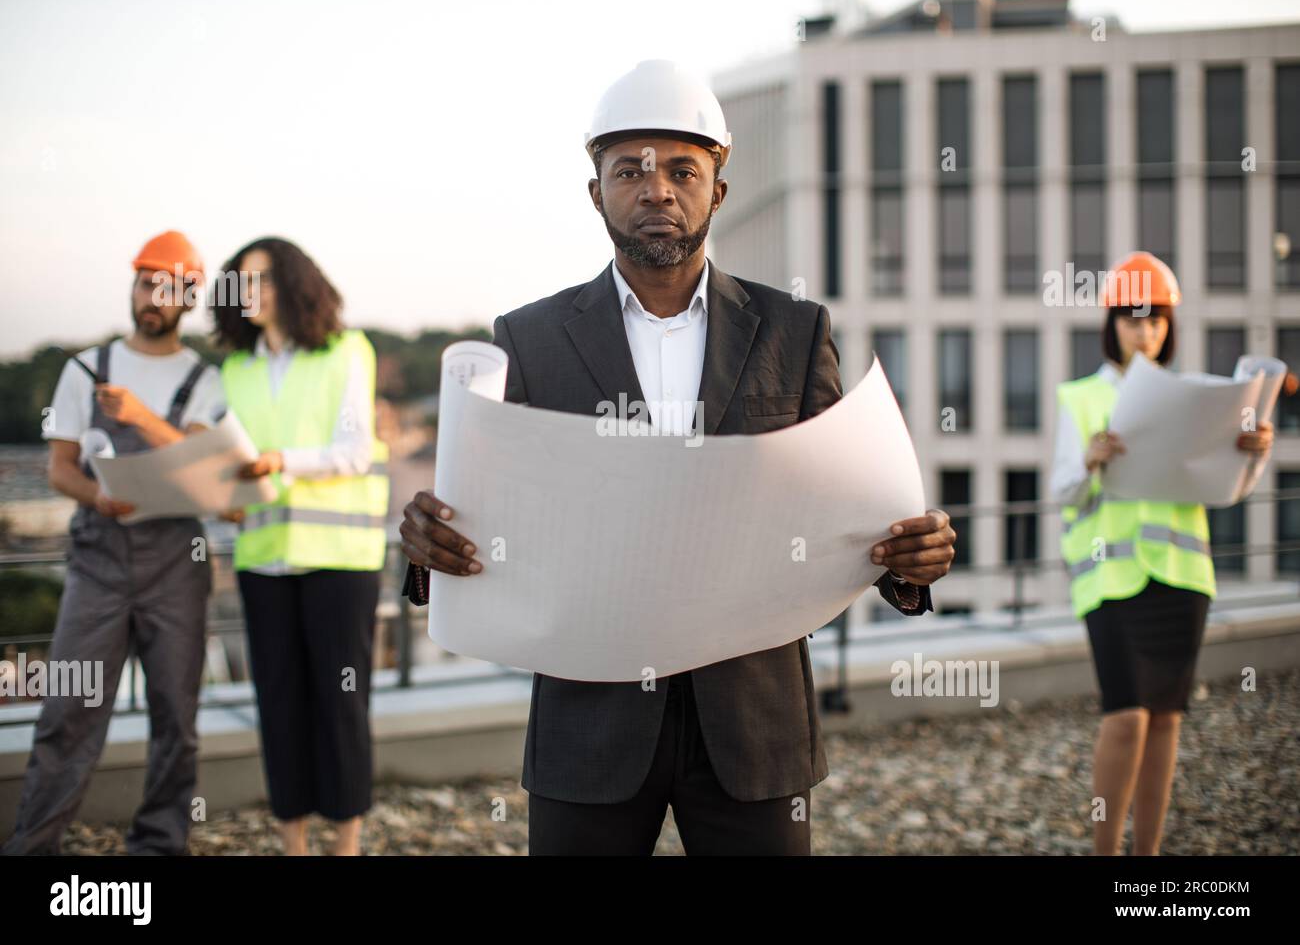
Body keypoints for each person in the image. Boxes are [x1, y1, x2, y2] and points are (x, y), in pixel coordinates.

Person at [399, 60, 955, 855]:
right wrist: (428, 547)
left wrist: (911, 556)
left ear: (717, 191)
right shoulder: (529, 340)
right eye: (629, 169)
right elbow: (488, 510)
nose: (656, 188)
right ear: (596, 193)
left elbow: (852, 502)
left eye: (681, 169)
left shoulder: (794, 332)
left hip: (752, 724)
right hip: (588, 726)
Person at [3, 231, 225, 855]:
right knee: (68, 711)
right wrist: (98, 497)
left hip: (177, 563)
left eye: (166, 286)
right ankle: (33, 846)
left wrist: (144, 422)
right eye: (144, 282)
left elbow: (207, 472)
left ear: (188, 297)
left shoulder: (205, 381)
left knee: (176, 719)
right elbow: (59, 469)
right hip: (98, 560)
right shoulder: (83, 369)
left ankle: (159, 844)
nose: (152, 296)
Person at [1051, 250, 1273, 855]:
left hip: (1181, 578)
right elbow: (1062, 492)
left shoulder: (1199, 396)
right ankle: (1108, 857)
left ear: (1169, 325)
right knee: (1125, 715)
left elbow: (1228, 490)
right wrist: (1092, 461)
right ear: (1112, 324)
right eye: (1132, 319)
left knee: (1167, 719)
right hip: (1110, 581)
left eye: (1154, 320)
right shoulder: (1079, 398)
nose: (1144, 331)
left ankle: (1146, 865)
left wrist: (1252, 452)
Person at [212, 237, 388, 856]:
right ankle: (293, 844)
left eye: (261, 279)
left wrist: (281, 460)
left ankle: (344, 844)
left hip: (339, 561)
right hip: (263, 560)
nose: (249, 293)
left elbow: (356, 451)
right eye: (240, 282)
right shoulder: (235, 369)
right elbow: (230, 461)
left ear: (294, 283)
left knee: (340, 704)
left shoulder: (346, 351)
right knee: (278, 703)